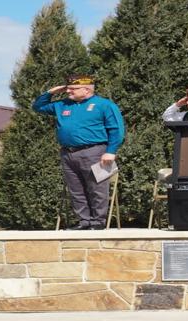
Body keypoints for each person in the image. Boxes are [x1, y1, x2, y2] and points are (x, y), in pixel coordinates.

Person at [32, 73, 126, 230]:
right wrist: (51, 92)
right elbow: (38, 107)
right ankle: (84, 221)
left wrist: (111, 151)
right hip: (68, 153)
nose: (68, 92)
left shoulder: (104, 105)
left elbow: (116, 129)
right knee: (76, 190)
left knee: (97, 188)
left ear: (86, 89)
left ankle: (97, 222)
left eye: (73, 89)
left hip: (95, 152)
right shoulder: (62, 104)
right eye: (67, 88)